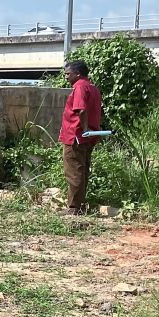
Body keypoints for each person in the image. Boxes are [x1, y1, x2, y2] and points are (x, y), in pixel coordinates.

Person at [59, 60, 103, 215]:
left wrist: (83, 129)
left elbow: (81, 110)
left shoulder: (79, 87)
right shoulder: (93, 88)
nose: (66, 77)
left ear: (77, 74)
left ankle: (74, 208)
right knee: (82, 171)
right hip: (88, 137)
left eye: (68, 74)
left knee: (74, 171)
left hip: (75, 136)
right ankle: (80, 205)